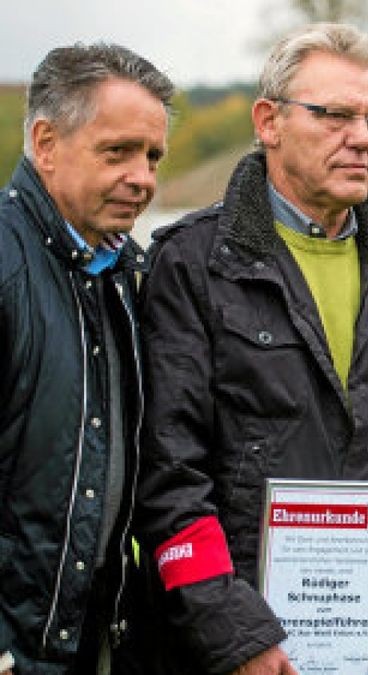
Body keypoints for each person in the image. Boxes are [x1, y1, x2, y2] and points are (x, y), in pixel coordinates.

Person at [134, 23, 368, 675]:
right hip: (223, 656)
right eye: (336, 115)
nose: (361, 137)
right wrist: (236, 633)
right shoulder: (193, 264)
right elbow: (168, 469)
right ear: (268, 121)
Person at [0, 43, 172, 674]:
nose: (144, 177)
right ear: (45, 143)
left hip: (89, 643)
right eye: (118, 152)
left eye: (153, 155)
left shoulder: (125, 276)